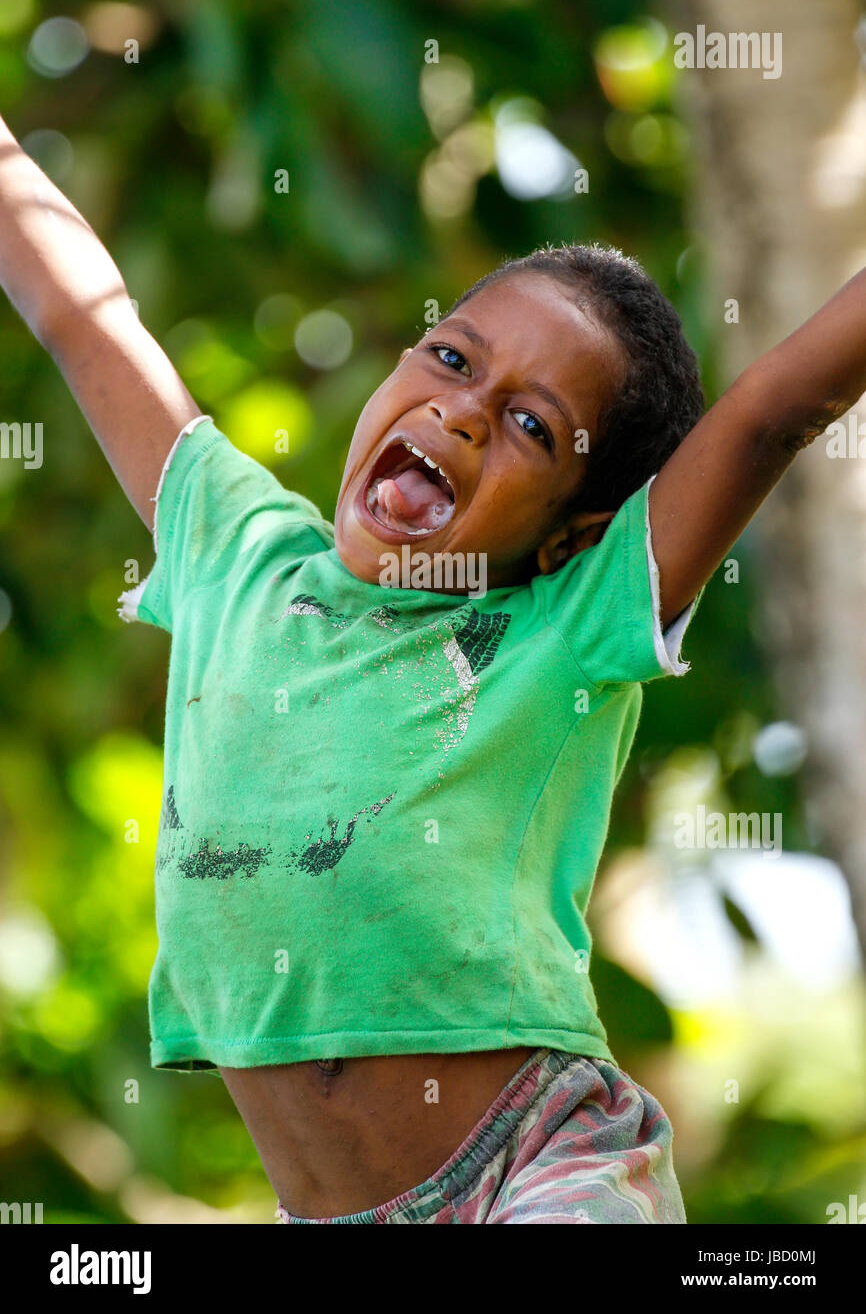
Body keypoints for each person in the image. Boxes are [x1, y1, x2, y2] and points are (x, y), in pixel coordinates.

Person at [1, 110, 860, 1225]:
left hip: (543, 1164)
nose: (460, 413)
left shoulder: (568, 627)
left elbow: (768, 415)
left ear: (569, 533)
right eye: (451, 358)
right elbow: (80, 314)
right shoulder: (235, 548)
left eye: (530, 428)